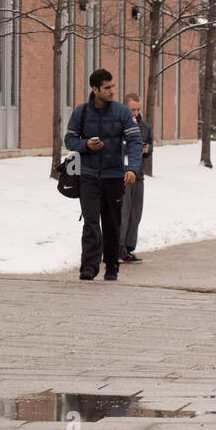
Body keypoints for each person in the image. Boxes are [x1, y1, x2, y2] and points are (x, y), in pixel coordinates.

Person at [64, 68, 141, 282]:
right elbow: (69, 140)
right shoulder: (81, 112)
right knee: (90, 221)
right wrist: (86, 145)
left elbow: (135, 141)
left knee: (111, 222)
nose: (112, 91)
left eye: (113, 86)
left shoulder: (122, 112)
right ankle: (88, 267)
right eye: (107, 87)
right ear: (95, 89)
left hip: (114, 176)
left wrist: (132, 168)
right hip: (88, 176)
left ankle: (112, 266)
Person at [119, 94, 152, 263]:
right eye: (133, 109)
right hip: (122, 174)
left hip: (138, 175)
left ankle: (129, 249)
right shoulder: (118, 124)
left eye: (138, 109)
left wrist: (147, 149)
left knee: (135, 213)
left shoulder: (144, 126)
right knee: (122, 213)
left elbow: (149, 147)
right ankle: (117, 248)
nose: (136, 112)